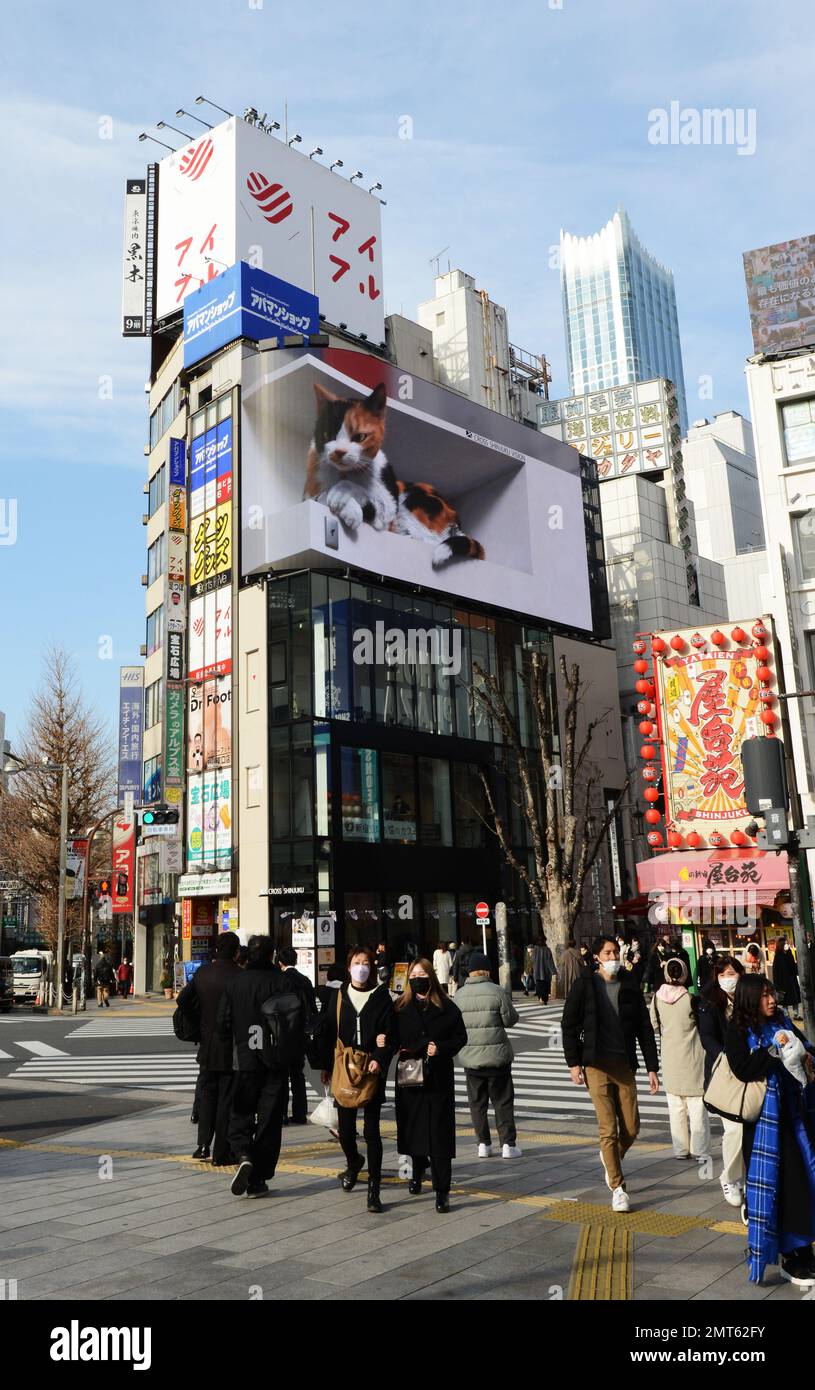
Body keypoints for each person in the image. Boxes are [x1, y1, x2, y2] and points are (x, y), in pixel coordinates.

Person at [725, 975, 815, 1286]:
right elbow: (742, 1069)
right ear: (750, 999)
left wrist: (806, 1053)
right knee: (787, 1187)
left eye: (771, 994)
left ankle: (804, 1247)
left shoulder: (781, 1020)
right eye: (764, 996)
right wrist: (772, 1051)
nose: (771, 1000)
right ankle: (793, 1255)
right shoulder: (738, 1030)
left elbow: (804, 1045)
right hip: (765, 1125)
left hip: (796, 1113)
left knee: (808, 1175)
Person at [562, 934, 660, 1211]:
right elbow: (568, 1025)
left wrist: (652, 1066)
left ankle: (611, 1158)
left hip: (624, 1063)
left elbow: (644, 1027)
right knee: (608, 1128)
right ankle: (618, 1188)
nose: (613, 957)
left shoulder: (629, 984)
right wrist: (573, 1063)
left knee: (631, 1127)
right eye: (607, 953)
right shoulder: (585, 985)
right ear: (596, 958)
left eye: (616, 952)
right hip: (595, 1064)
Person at [318, 946, 393, 1214]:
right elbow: (328, 1032)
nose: (362, 967)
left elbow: (389, 1033)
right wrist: (326, 1066)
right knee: (346, 1131)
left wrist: (381, 1057)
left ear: (372, 968)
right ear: (349, 967)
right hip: (344, 1068)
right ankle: (353, 1162)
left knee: (372, 1132)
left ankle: (374, 1189)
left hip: (372, 1068)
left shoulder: (382, 996)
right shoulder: (338, 996)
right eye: (357, 962)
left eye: (366, 963)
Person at [217, 934, 292, 1199]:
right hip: (275, 1061)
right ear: (272, 955)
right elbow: (294, 1020)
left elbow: (223, 1022)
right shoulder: (281, 982)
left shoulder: (236, 982)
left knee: (241, 1112)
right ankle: (258, 1178)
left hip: (244, 1059)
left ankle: (244, 1153)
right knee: (270, 1121)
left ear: (248, 954)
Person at [394, 958, 467, 1213]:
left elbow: (461, 1036)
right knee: (412, 1127)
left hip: (437, 1077)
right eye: (413, 974)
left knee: (439, 1133)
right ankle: (416, 1170)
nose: (416, 977)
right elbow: (390, 1035)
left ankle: (442, 1189)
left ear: (431, 976)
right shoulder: (400, 1006)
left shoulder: (447, 1007)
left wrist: (442, 1048)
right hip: (410, 1075)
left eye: (422, 973)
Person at [178, 934, 241, 1163]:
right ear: (236, 952)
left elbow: (182, 1000)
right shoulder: (239, 975)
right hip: (230, 1045)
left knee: (207, 1094)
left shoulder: (203, 973)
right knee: (226, 1097)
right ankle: (221, 1151)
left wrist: (199, 1019)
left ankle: (203, 1145)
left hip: (207, 1043)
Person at [455, 950, 521, 1158]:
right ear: (487, 971)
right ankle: (508, 1145)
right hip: (497, 1057)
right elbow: (510, 1019)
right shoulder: (497, 991)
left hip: (471, 1058)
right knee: (502, 1101)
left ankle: (483, 1143)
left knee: (477, 1103)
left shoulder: (459, 995)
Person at [650, 957, 710, 1162]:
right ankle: (700, 1150)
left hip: (670, 1058)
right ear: (684, 975)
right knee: (697, 1108)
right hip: (693, 1059)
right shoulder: (692, 999)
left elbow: (655, 1025)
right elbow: (704, 1028)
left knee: (675, 1108)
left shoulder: (657, 999)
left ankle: (680, 1150)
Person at [697, 955, 745, 1206]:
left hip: (749, 1074)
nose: (728, 979)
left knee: (748, 1129)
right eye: (723, 974)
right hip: (722, 1075)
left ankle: (746, 1176)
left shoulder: (748, 998)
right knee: (734, 1128)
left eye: (732, 973)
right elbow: (707, 1037)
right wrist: (725, 1056)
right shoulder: (708, 1002)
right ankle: (729, 1178)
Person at [276, 945, 317, 1125]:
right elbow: (313, 1008)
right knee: (298, 1074)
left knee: (282, 1074)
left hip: (283, 1032)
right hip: (301, 1032)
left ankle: (282, 1113)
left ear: (280, 963)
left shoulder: (279, 980)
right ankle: (300, 1114)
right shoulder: (305, 980)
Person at [771, 937, 801, 1019]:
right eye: (785, 943)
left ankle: (796, 1014)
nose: (787, 945)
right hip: (782, 981)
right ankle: (786, 1014)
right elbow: (776, 971)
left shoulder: (789, 953)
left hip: (791, 979)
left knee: (795, 998)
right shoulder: (778, 956)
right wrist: (777, 985)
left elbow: (793, 965)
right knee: (784, 999)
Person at [532, 933, 557, 1004]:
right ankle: (544, 999)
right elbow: (550, 961)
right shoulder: (547, 950)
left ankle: (540, 998)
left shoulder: (535, 950)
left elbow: (532, 960)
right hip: (546, 973)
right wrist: (553, 971)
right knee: (545, 986)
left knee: (539, 986)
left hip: (537, 972)